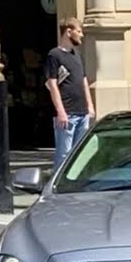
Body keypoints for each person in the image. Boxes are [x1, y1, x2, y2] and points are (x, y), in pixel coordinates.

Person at [45, 17, 94, 168]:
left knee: (78, 154)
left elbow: (83, 80)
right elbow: (52, 84)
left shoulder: (77, 55)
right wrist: (61, 111)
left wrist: (90, 106)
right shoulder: (54, 55)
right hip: (68, 112)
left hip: (82, 112)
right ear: (68, 32)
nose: (81, 35)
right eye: (79, 31)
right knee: (64, 154)